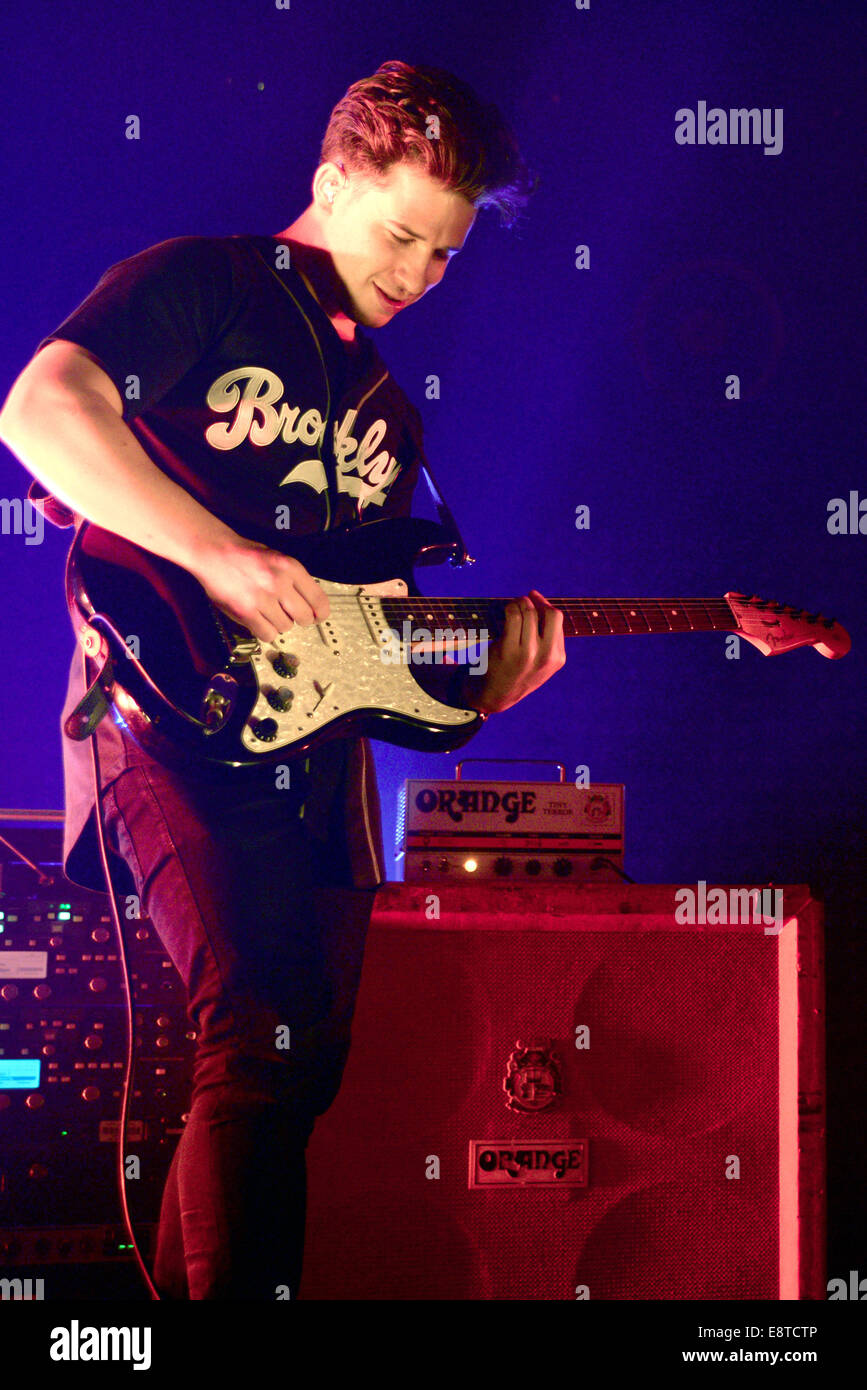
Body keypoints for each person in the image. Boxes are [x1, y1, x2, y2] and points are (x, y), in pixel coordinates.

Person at [0, 60, 566, 1299]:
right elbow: (42, 407)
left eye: (445, 253)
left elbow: (381, 651)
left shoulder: (387, 417)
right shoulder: (203, 283)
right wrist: (212, 549)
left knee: (300, 1057)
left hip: (312, 764)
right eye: (401, 233)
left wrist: (480, 693)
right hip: (158, 710)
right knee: (255, 1032)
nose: (418, 272)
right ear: (328, 183)